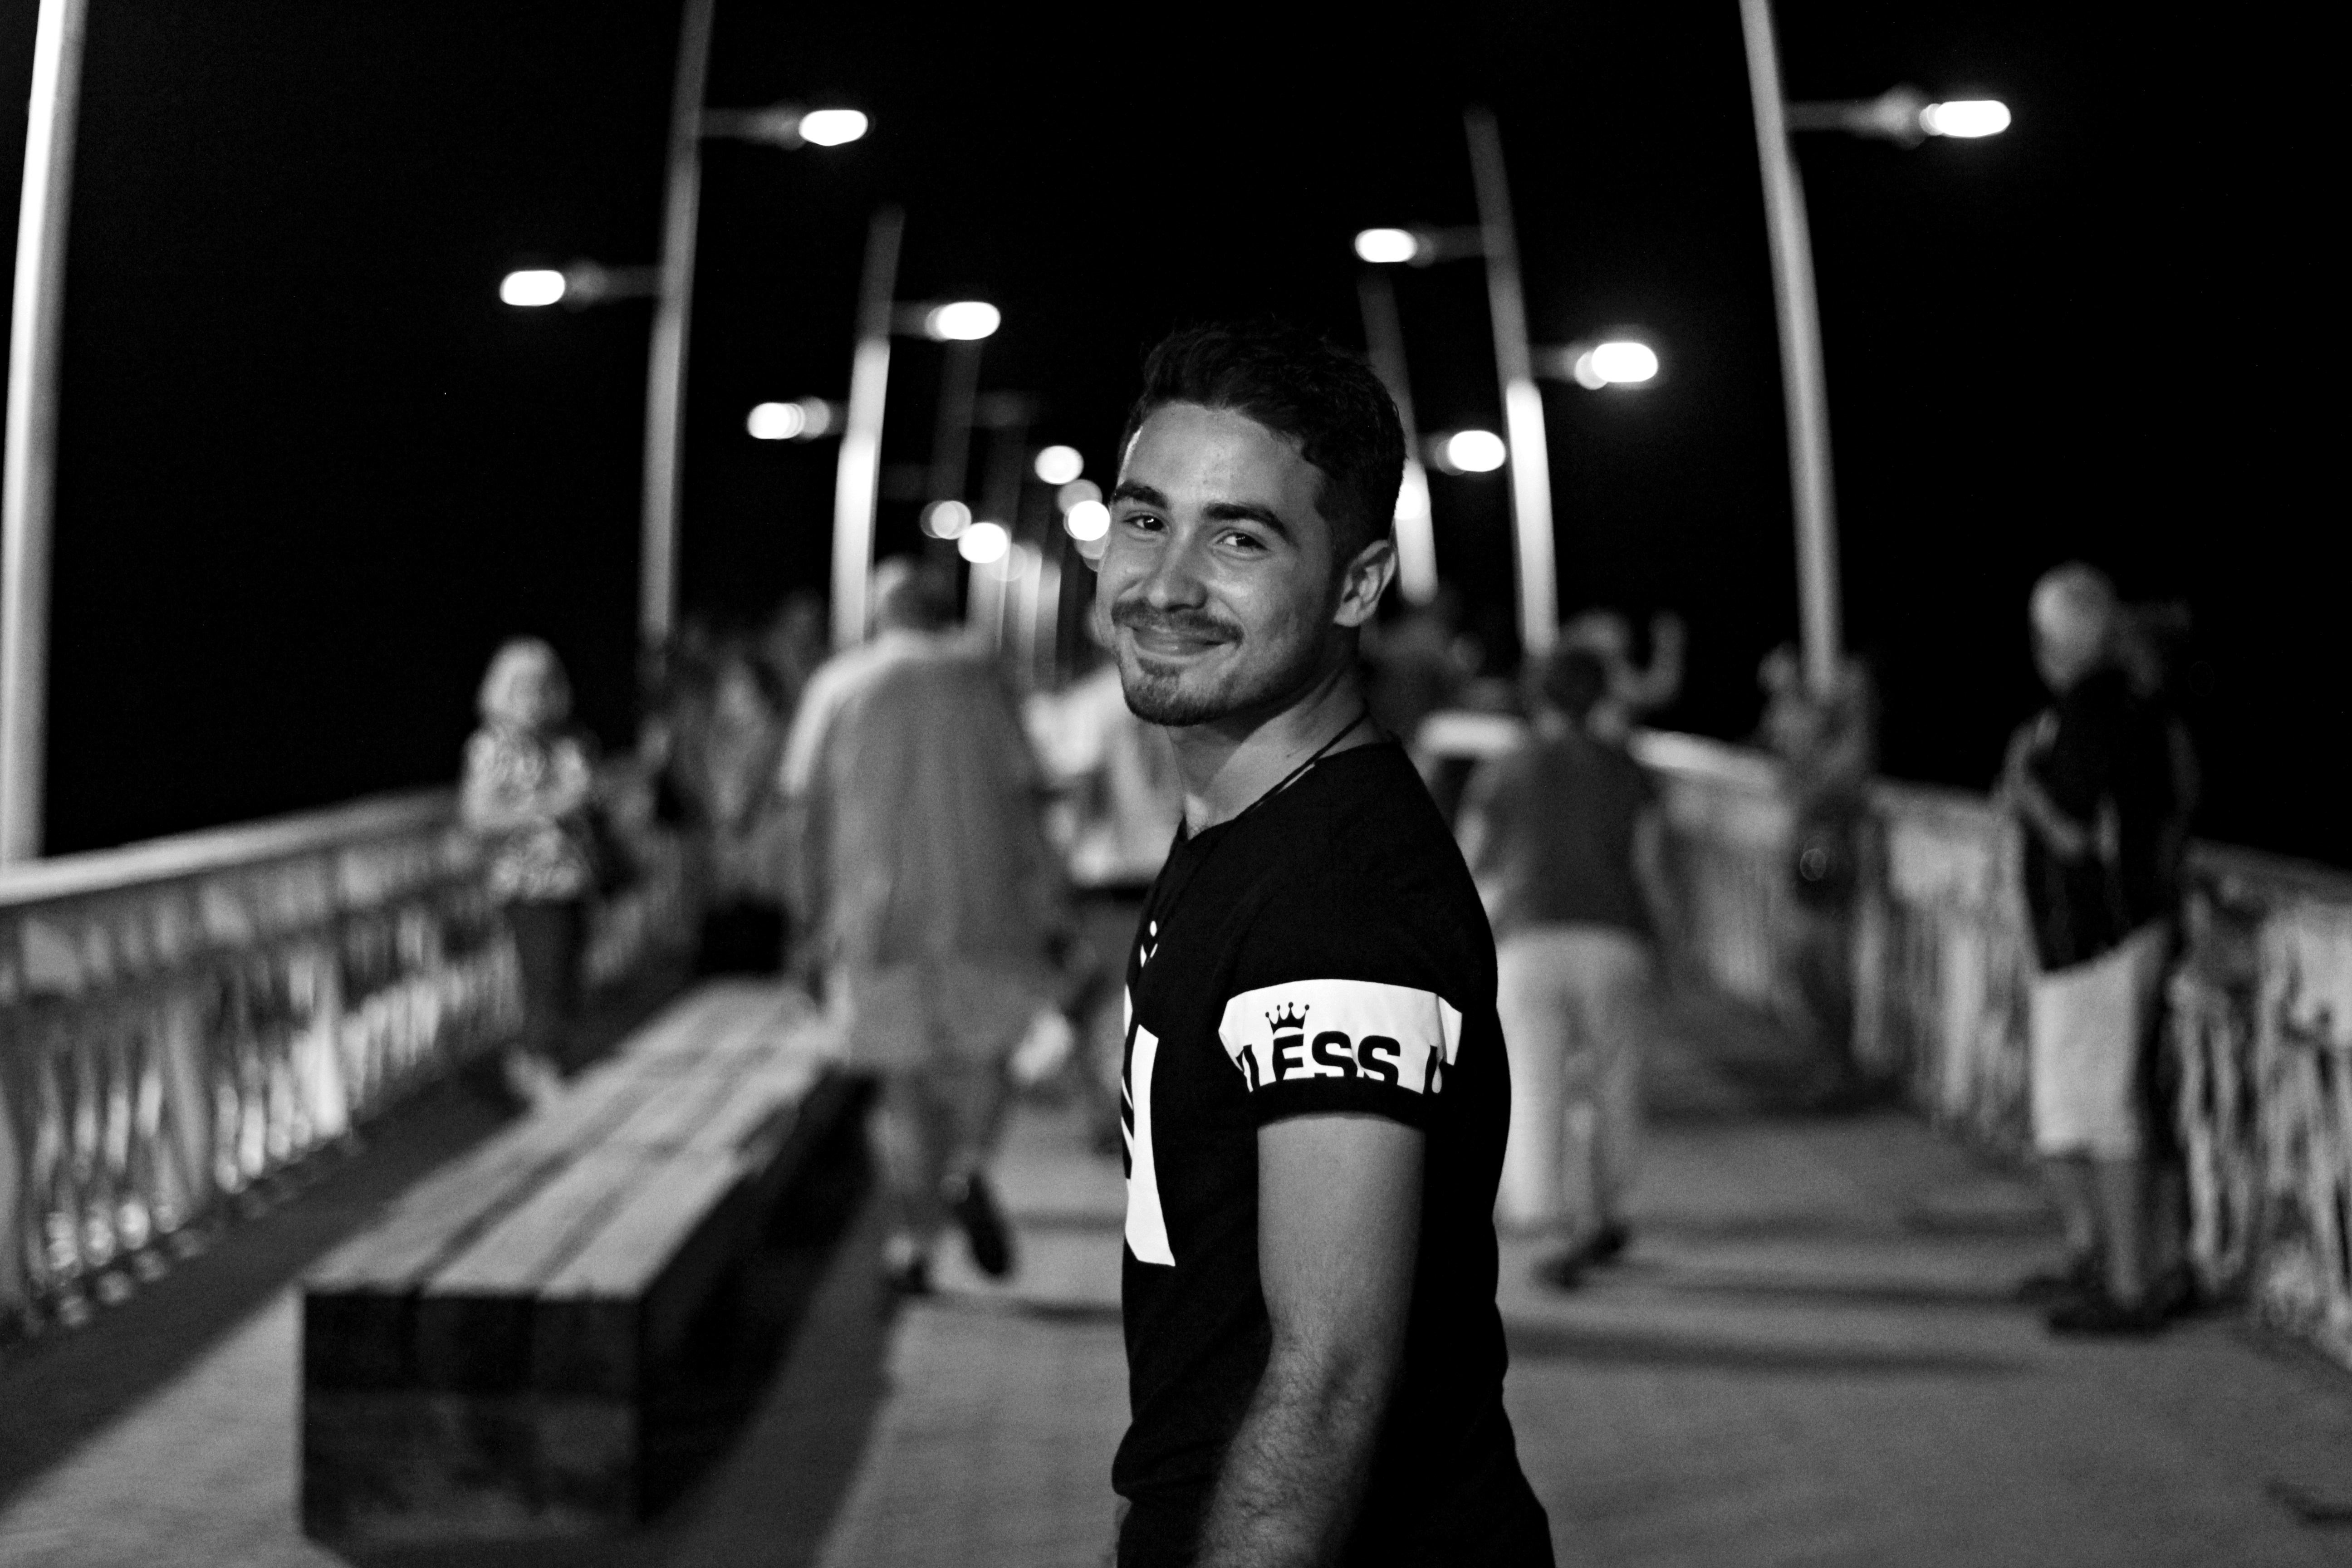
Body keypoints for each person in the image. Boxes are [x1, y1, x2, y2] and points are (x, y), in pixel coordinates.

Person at [1101, 323, 1551, 1567]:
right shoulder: (1247, 828)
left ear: (1357, 584)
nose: (1166, 583)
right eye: (1144, 519)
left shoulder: (1336, 905)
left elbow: (1330, 1375)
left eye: (1239, 538)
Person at [780, 558, 1067, 1295]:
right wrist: (1051, 903)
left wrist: (807, 920)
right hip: (987, 914)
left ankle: (912, 1243)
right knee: (990, 1057)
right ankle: (965, 1167)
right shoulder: (984, 681)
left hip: (874, 922)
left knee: (901, 1087)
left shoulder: (839, 686)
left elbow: (805, 813)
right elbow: (1028, 797)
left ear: (881, 613)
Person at [1998, 563, 2183, 1335]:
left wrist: (2023, 789)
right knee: (2082, 1113)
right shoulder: (2118, 710)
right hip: (2099, 937)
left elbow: (2074, 834)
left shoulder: (2091, 715)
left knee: (2104, 1116)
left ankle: (2129, 1285)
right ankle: (2109, 1264)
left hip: (2098, 940)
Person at [1459, 646, 1673, 1291]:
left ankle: (1545, 1227)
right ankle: (1605, 1213)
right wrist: (1669, 948)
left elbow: (1473, 863)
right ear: (1603, 696)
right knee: (1614, 1085)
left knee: (1533, 1085)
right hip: (1615, 939)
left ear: (1538, 697)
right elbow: (1651, 870)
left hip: (1527, 942)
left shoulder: (1502, 770)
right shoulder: (1628, 770)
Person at [461, 638, 598, 1109]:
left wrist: (583, 797)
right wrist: (548, 807)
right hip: (527, 885)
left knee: (569, 975)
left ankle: (545, 1059)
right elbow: (478, 817)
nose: (534, 700)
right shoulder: (492, 745)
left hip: (572, 878)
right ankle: (536, 1068)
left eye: (543, 689)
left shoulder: (564, 741)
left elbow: (585, 799)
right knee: (543, 977)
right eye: (523, 689)